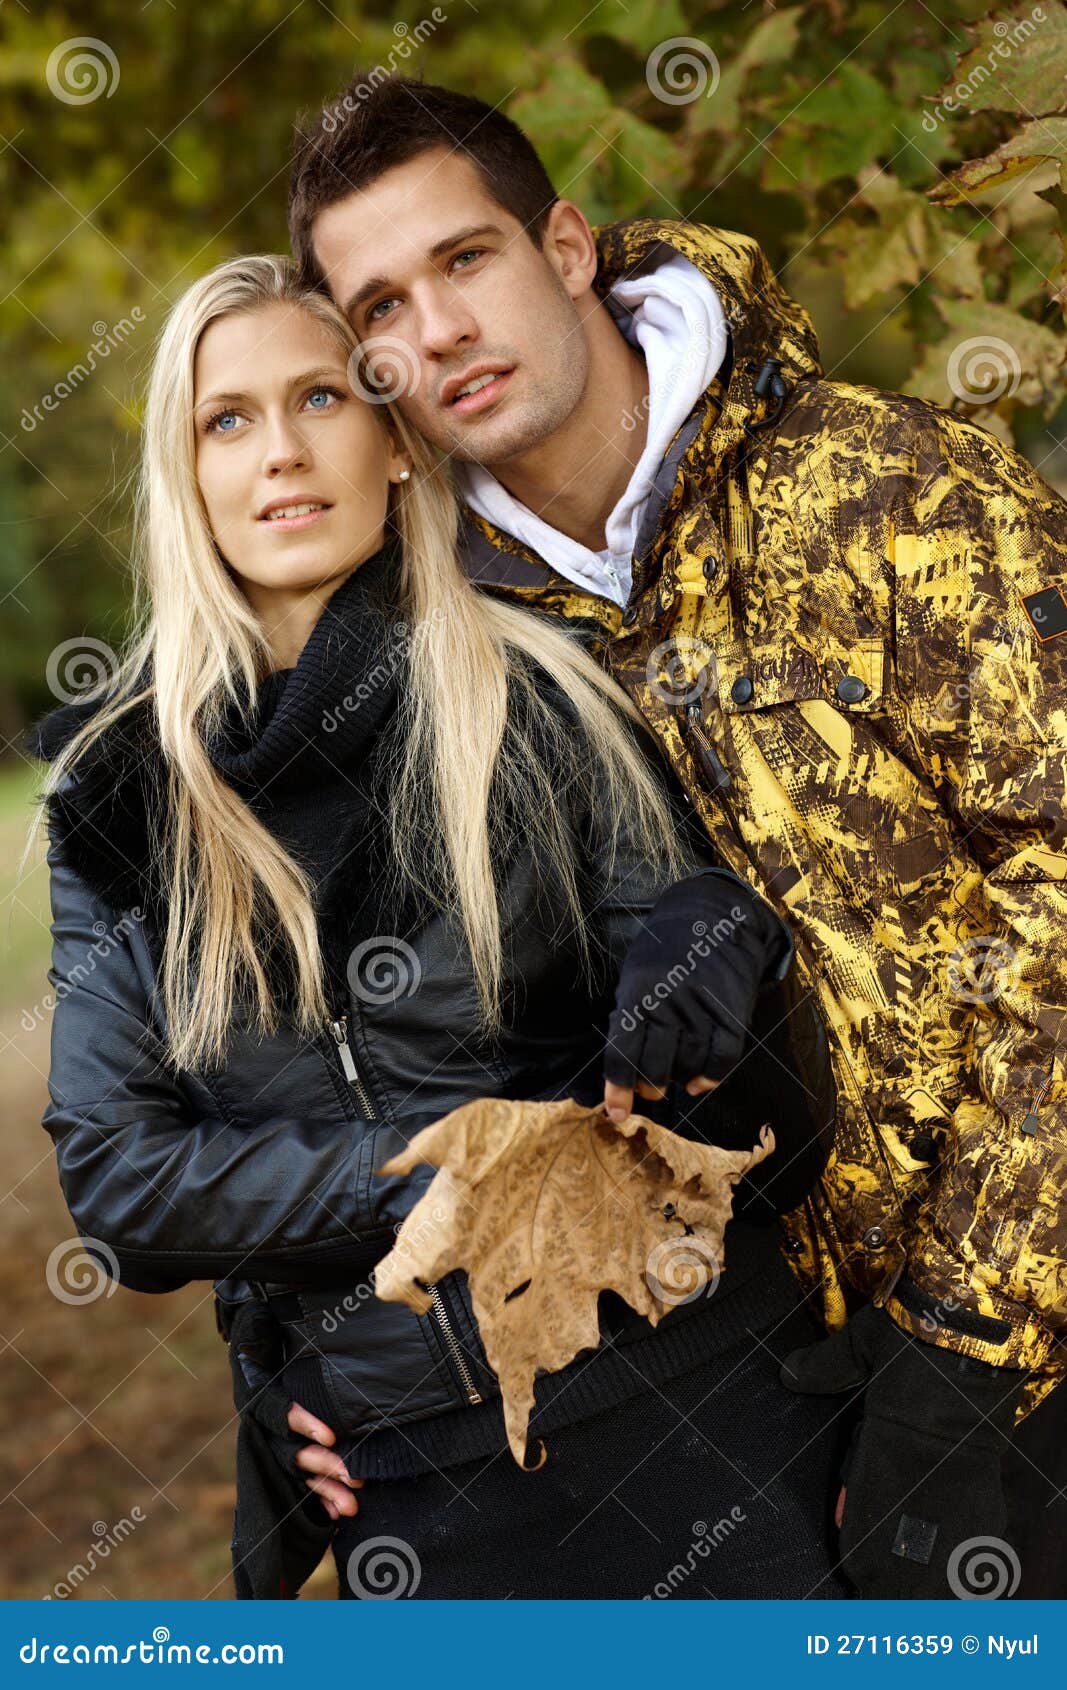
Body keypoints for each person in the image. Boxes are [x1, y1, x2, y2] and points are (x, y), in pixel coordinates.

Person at [284, 71, 1067, 1599]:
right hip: (756, 1383)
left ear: (567, 249)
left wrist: (970, 1347)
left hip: (1019, 1338)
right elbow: (387, 1056)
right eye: (380, 305)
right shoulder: (451, 650)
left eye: (465, 261)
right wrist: (311, 1365)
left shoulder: (887, 489)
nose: (436, 330)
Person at [25, 254, 848, 1600]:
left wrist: (719, 942)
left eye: (322, 399)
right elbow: (123, 1179)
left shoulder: (547, 693)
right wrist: (464, 1174)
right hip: (414, 1483)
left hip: (703, 1407)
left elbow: (740, 1110)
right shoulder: (119, 795)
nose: (280, 453)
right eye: (227, 418)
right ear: (185, 475)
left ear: (398, 444)